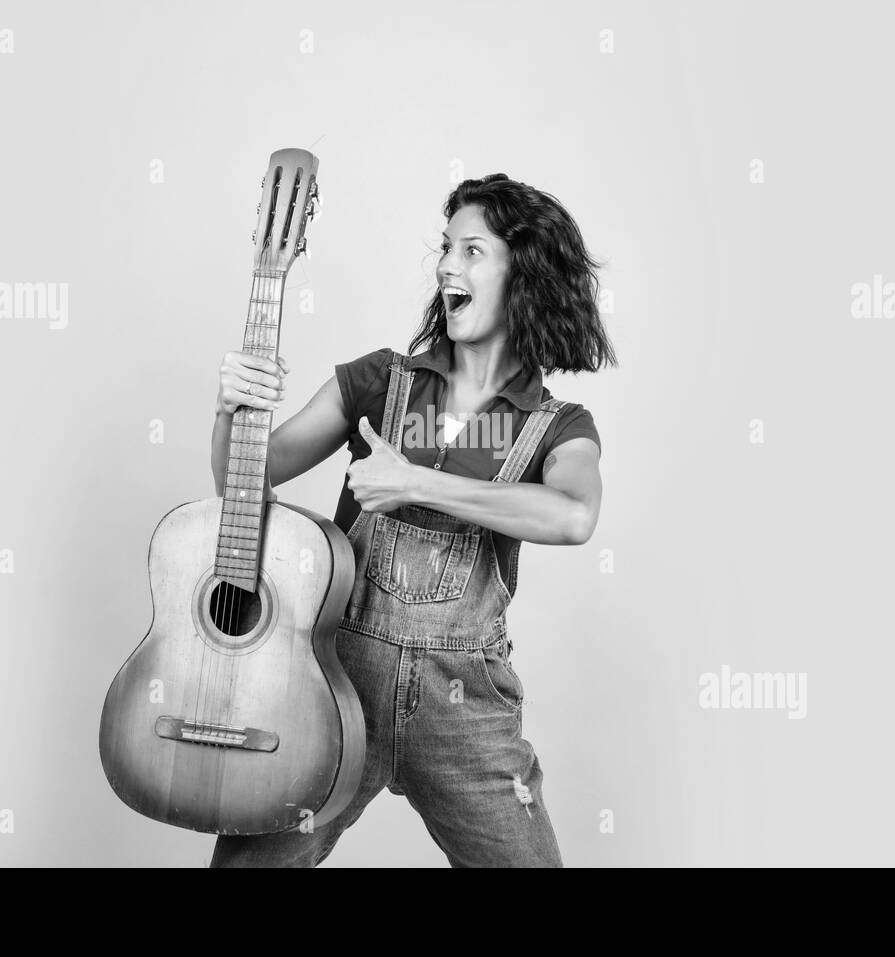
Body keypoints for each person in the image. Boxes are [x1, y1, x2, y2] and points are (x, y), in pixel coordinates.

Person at [207, 173, 617, 867]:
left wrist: (415, 480)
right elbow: (243, 480)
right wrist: (230, 408)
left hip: (467, 716)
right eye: (446, 248)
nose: (446, 266)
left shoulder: (557, 425)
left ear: (527, 276)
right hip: (333, 695)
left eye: (472, 250)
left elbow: (573, 514)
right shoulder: (379, 382)